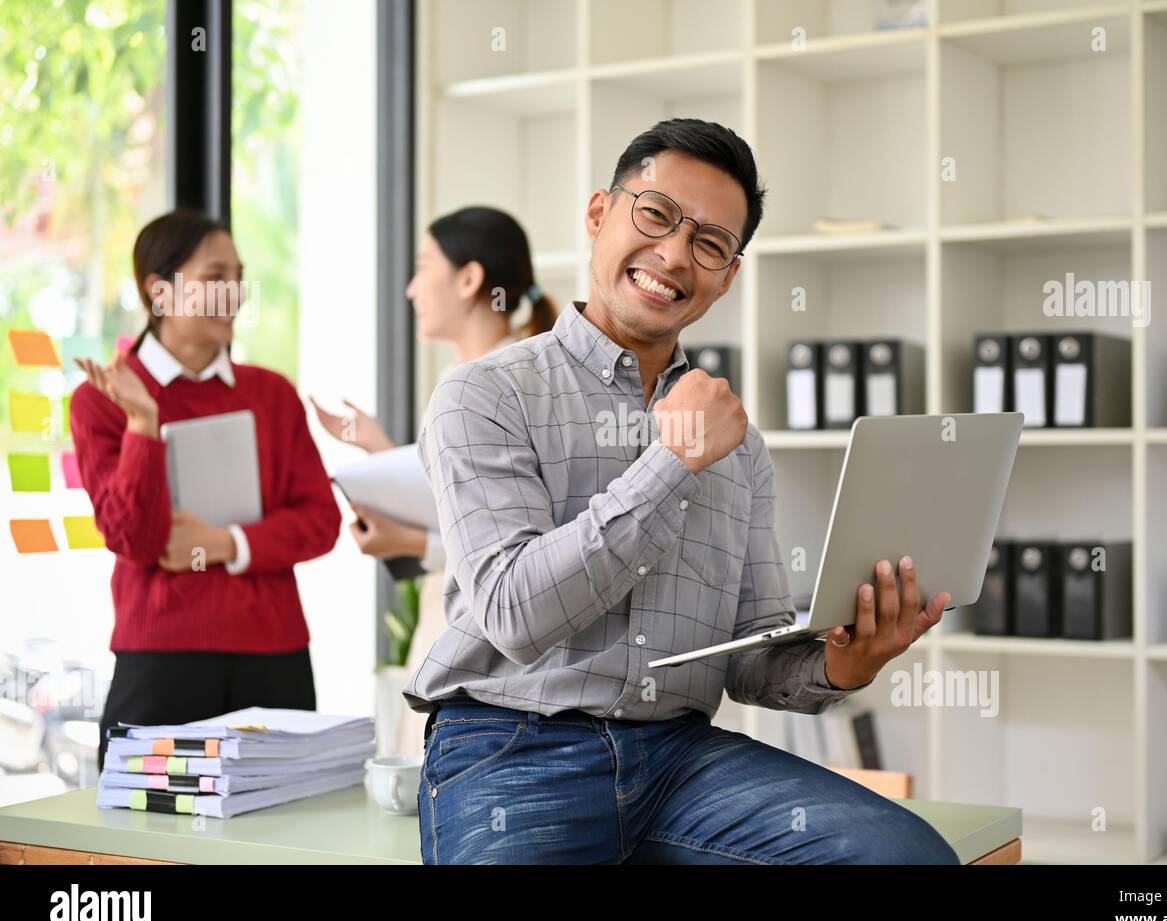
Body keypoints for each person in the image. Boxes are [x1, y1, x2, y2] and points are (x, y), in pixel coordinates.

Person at [407, 118, 960, 864]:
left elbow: (751, 657)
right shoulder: (485, 394)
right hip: (513, 745)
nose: (674, 255)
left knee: (902, 855)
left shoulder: (742, 446)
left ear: (727, 275)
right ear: (601, 214)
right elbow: (513, 614)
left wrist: (842, 665)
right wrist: (674, 462)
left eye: (710, 244)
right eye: (657, 215)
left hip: (679, 758)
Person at [71, 209, 341, 772]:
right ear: (159, 290)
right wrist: (144, 426)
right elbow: (133, 539)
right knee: (142, 840)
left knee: (275, 840)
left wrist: (226, 543)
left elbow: (320, 521)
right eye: (216, 276)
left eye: (238, 276)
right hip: (161, 658)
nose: (235, 293)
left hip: (275, 655)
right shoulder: (102, 401)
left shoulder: (271, 394)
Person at [308, 207, 556, 757]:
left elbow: (520, 547)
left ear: (469, 280)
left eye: (423, 267)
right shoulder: (465, 378)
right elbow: (463, 504)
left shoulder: (505, 380)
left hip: (489, 644)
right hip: (452, 627)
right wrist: (380, 450)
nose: (411, 287)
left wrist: (409, 544)